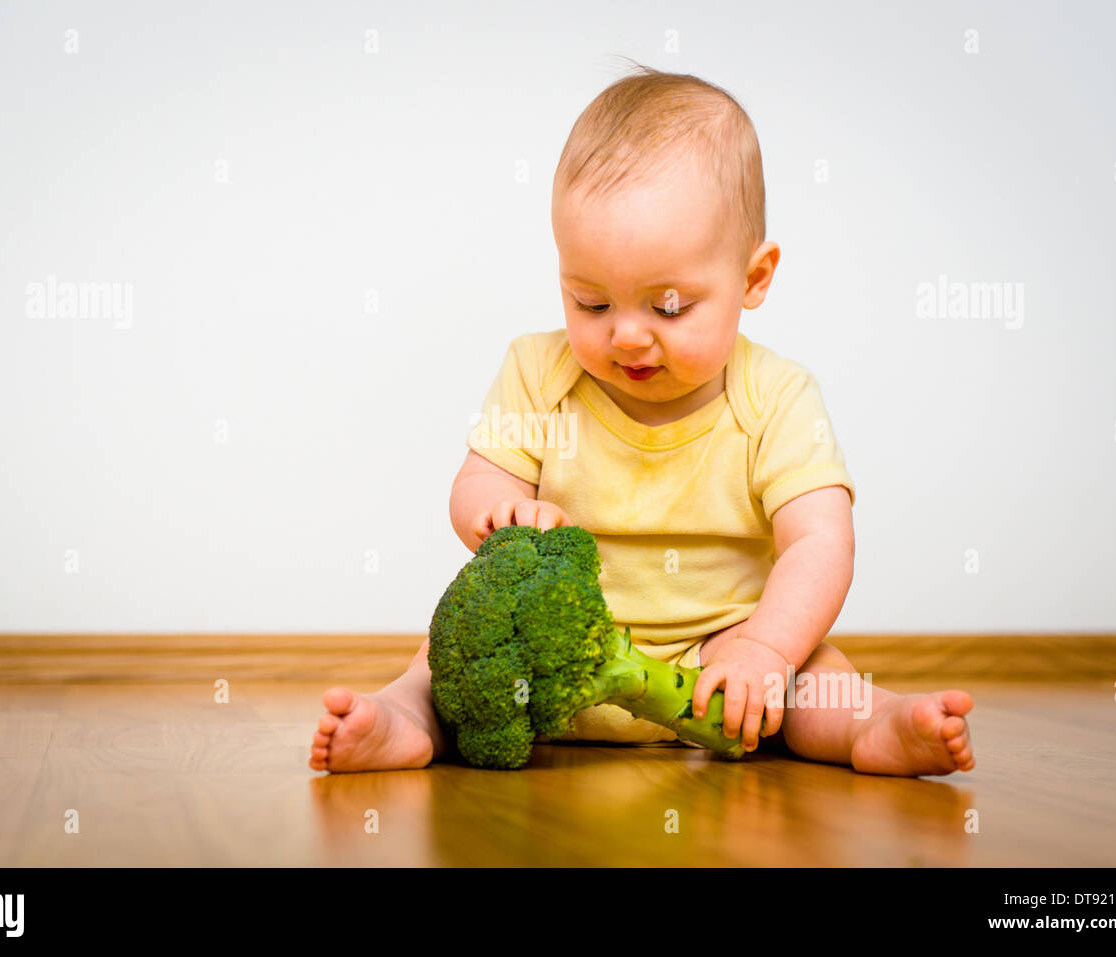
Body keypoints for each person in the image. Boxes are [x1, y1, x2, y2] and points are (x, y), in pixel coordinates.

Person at [311, 62, 974, 776]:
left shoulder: (776, 397)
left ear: (753, 279)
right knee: (436, 670)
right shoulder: (540, 370)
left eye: (666, 306)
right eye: (590, 302)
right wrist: (496, 509)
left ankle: (875, 724)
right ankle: (403, 719)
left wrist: (765, 647)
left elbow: (820, 539)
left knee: (817, 680)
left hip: (723, 661)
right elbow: (478, 477)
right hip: (552, 660)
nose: (625, 335)